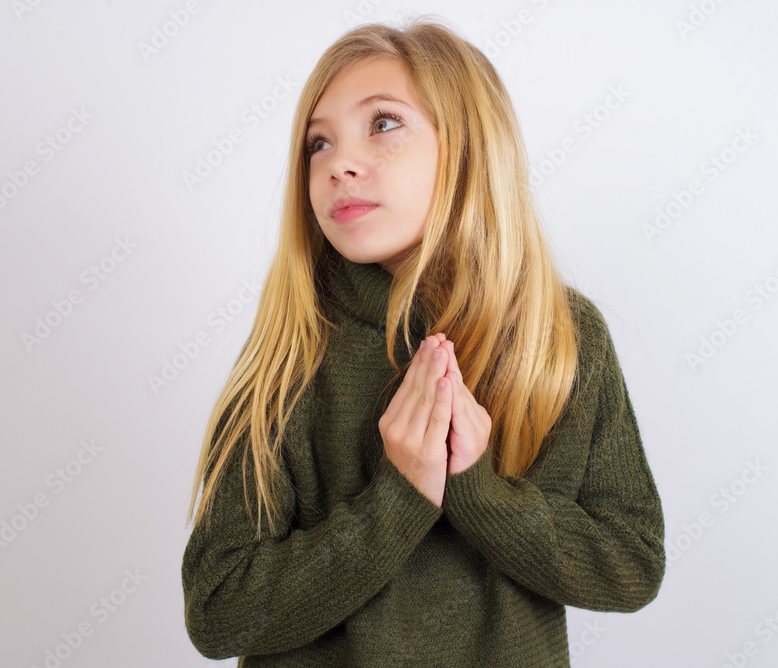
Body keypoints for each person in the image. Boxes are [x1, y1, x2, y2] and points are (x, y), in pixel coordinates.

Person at [181, 16, 665, 667]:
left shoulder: (563, 339)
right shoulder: (293, 350)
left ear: (467, 146)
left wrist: (477, 489)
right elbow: (219, 612)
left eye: (382, 124)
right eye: (316, 145)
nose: (338, 163)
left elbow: (631, 565)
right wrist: (398, 499)